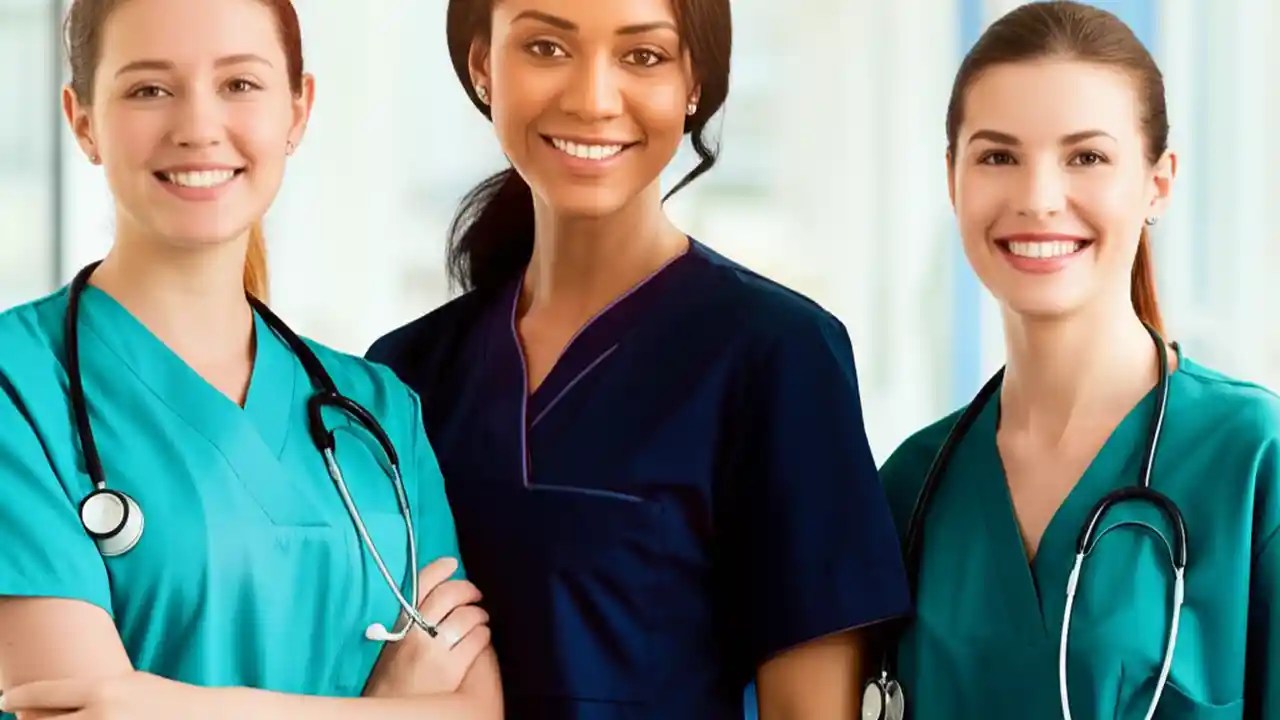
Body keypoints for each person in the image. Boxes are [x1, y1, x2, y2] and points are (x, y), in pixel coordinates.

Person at [366, 0, 910, 717]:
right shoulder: (403, 376)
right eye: (546, 48)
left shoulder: (778, 358)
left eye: (643, 56)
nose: (593, 99)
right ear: (482, 65)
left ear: (695, 83)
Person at [0, 1, 501, 717]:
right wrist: (391, 707)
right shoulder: (18, 386)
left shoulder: (378, 410)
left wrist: (165, 706)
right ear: (82, 121)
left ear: (298, 111)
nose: (198, 127)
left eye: (239, 84)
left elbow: (477, 709)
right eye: (149, 89)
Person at [873, 2, 1280, 718]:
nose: (1037, 199)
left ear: (1158, 183)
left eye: (1086, 157)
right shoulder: (911, 486)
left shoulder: (1253, 460)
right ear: (952, 179)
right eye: (998, 156)